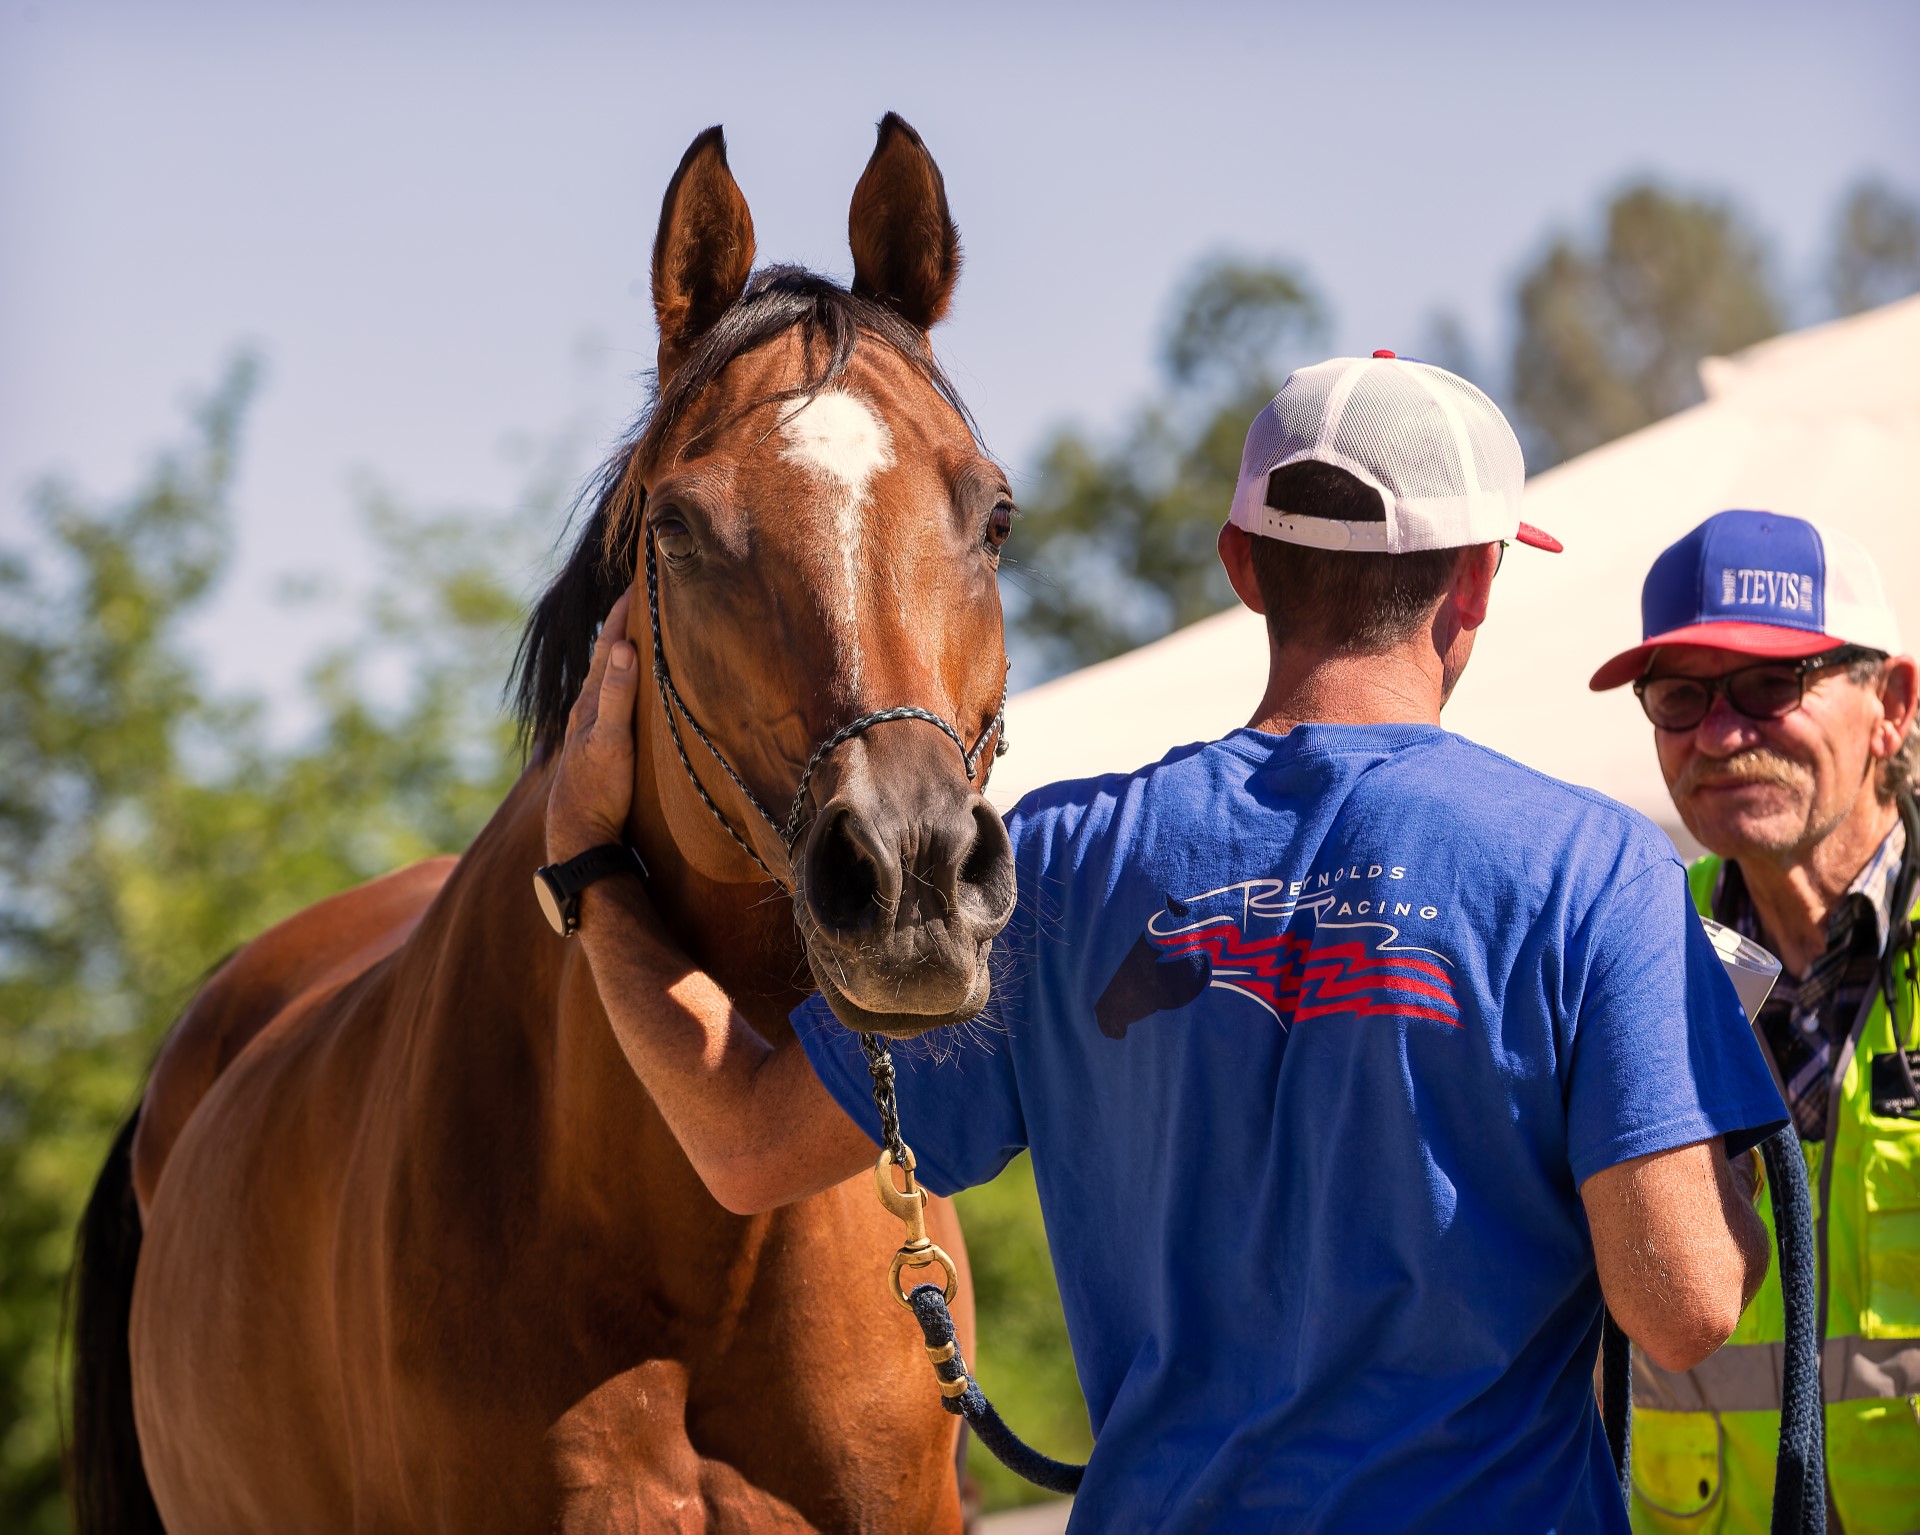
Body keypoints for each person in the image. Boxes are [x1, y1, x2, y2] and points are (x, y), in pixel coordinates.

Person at [546, 355, 1787, 1532]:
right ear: (1474, 583)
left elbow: (747, 1141)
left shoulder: (1064, 864)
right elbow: (1680, 1310)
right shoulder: (1591, 870)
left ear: (1244, 566)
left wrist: (594, 869)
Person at [1591, 510, 1920, 1535]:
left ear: (1892, 704)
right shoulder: (1619, 957)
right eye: (1681, 695)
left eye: (1770, 685)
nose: (1720, 733)